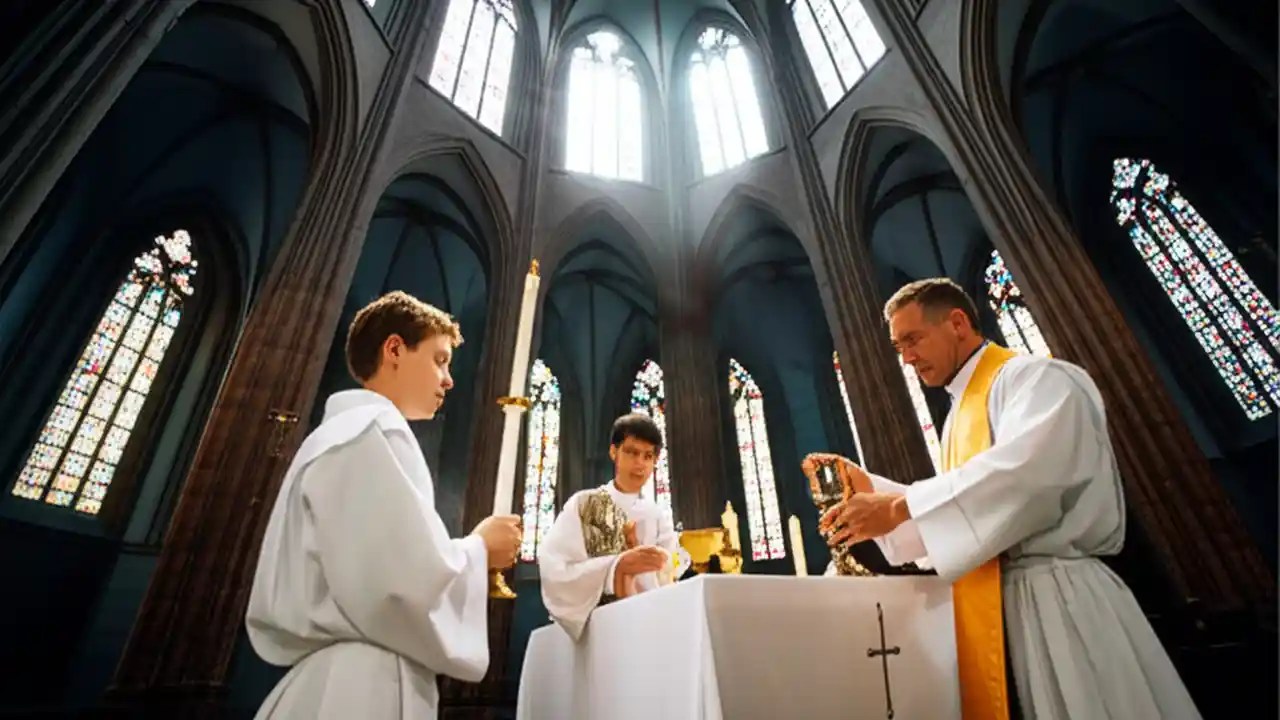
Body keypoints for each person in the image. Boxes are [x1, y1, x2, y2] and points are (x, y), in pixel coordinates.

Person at [810, 278, 1201, 720]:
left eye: (912, 339)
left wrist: (898, 508)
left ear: (957, 323)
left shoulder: (1036, 378)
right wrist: (876, 490)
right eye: (899, 346)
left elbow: (1027, 478)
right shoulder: (959, 414)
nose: (906, 358)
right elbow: (978, 511)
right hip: (1007, 603)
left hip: (1061, 600)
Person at [245, 291, 523, 719]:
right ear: (394, 349)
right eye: (440, 360)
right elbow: (400, 586)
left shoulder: (342, 434)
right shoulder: (369, 433)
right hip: (362, 688)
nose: (449, 379)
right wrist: (480, 547)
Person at [539, 413, 679, 639]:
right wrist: (616, 567)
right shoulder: (586, 504)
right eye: (632, 452)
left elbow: (669, 578)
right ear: (614, 452)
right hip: (597, 629)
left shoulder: (658, 516)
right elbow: (554, 568)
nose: (640, 464)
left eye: (648, 456)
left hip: (649, 627)